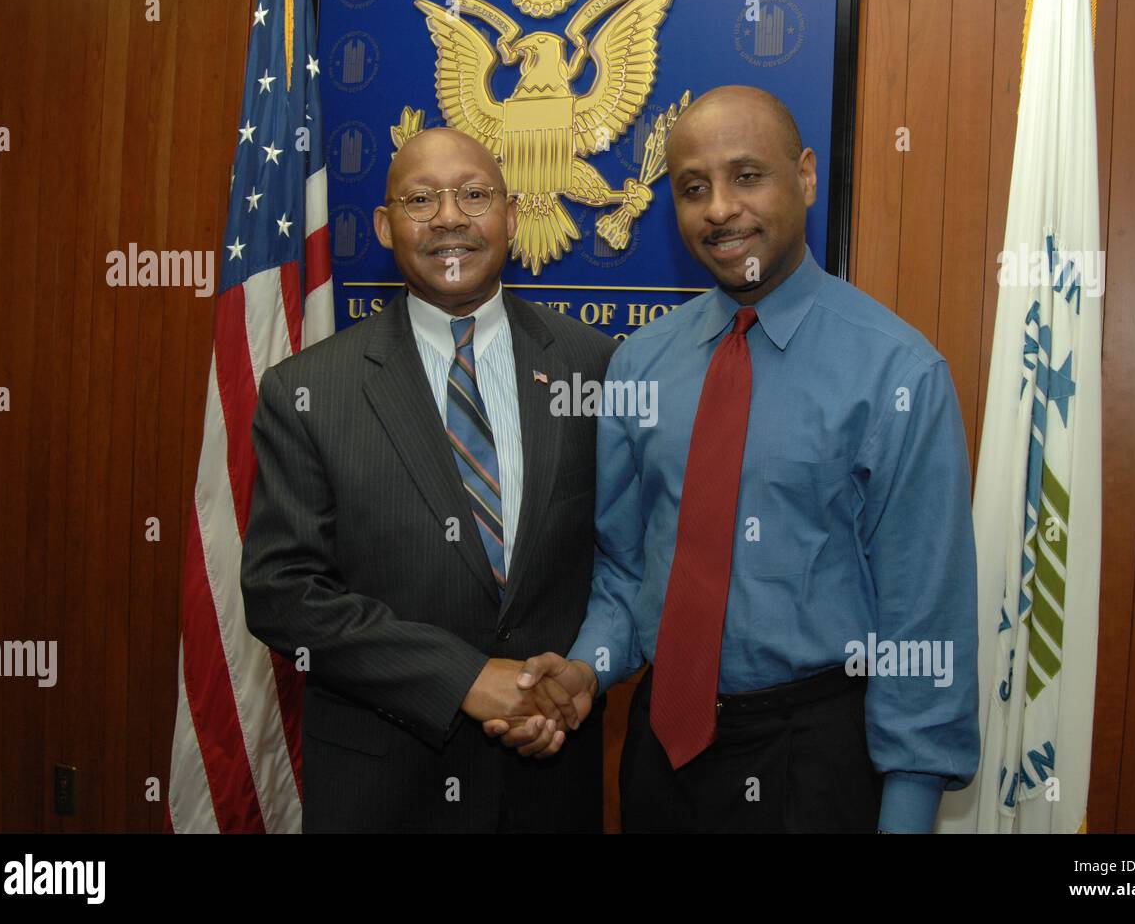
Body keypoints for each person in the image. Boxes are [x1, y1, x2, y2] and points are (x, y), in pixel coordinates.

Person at [491, 86, 980, 833]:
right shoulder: (640, 366)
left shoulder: (898, 375)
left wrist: (908, 816)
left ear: (806, 177)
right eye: (693, 188)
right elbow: (627, 573)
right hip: (662, 758)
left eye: (746, 175)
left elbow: (925, 625)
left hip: (817, 760)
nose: (719, 208)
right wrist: (589, 664)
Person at [241, 127, 616, 832]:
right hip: (384, 789)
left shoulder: (591, 366)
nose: (450, 217)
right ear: (385, 226)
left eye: (474, 195)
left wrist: (577, 677)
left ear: (510, 212)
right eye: (421, 198)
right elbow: (282, 595)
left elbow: (624, 558)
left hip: (550, 778)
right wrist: (467, 679)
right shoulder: (307, 390)